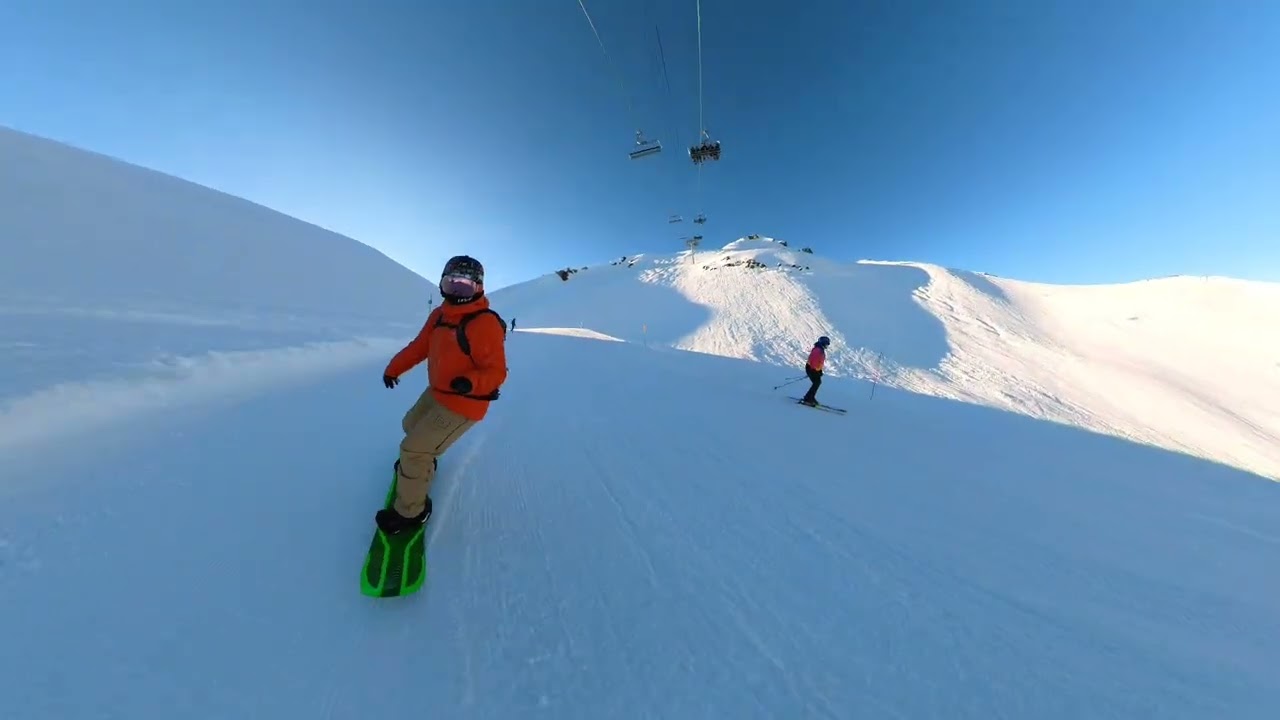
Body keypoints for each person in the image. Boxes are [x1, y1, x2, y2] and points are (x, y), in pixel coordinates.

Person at [378, 255, 509, 534]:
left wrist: (470, 383)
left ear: (479, 288)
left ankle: (412, 514)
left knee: (413, 449)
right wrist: (394, 369)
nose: (457, 293)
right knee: (410, 425)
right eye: (451, 285)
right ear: (442, 285)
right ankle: (422, 465)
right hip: (437, 392)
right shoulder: (439, 315)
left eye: (464, 287)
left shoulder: (484, 323)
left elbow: (496, 372)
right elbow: (419, 347)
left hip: (464, 403)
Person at [800, 336, 830, 406]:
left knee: (817, 382)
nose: (827, 346)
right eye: (826, 344)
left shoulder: (819, 349)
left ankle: (810, 397)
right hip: (811, 369)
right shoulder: (818, 350)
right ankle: (809, 398)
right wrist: (816, 371)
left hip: (812, 369)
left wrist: (819, 371)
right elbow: (814, 362)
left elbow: (818, 363)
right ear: (823, 343)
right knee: (817, 382)